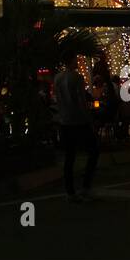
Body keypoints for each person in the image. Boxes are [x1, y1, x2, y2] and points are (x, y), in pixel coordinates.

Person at [52, 57, 99, 203]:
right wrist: (89, 119)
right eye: (75, 60)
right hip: (78, 120)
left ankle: (70, 191)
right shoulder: (77, 77)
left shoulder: (57, 78)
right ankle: (85, 187)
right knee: (94, 150)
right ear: (71, 61)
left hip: (64, 120)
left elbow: (57, 98)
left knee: (69, 156)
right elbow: (81, 101)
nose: (78, 62)